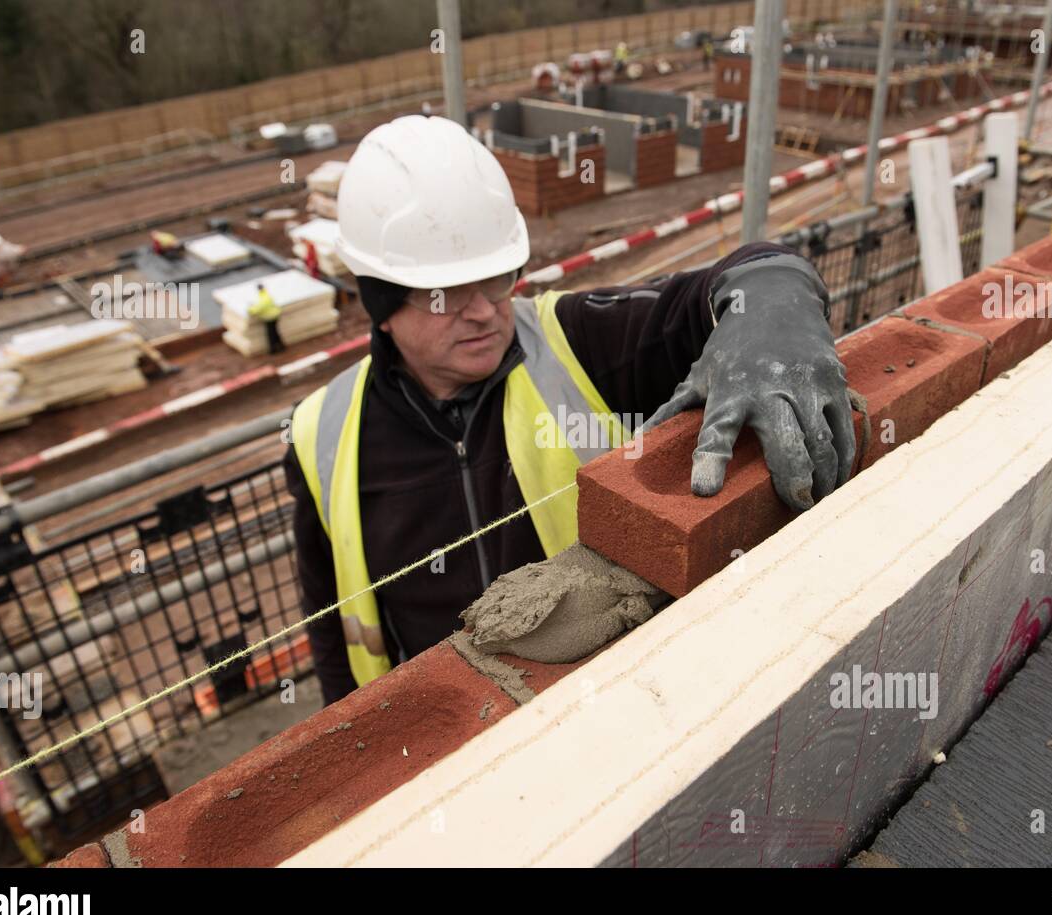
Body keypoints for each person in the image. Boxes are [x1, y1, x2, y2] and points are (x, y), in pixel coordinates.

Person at [283, 116, 853, 705]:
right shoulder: (320, 436)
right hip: (446, 743)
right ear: (379, 299)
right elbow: (331, 631)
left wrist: (771, 300)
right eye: (447, 293)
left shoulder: (576, 341)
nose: (483, 310)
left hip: (609, 707)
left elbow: (720, 285)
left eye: (497, 277)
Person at [248, 282, 283, 354]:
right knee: (275, 332)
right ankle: (281, 346)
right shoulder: (267, 295)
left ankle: (273, 349)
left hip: (269, 318)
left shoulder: (263, 298)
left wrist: (250, 309)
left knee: (270, 334)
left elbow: (258, 308)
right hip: (275, 315)